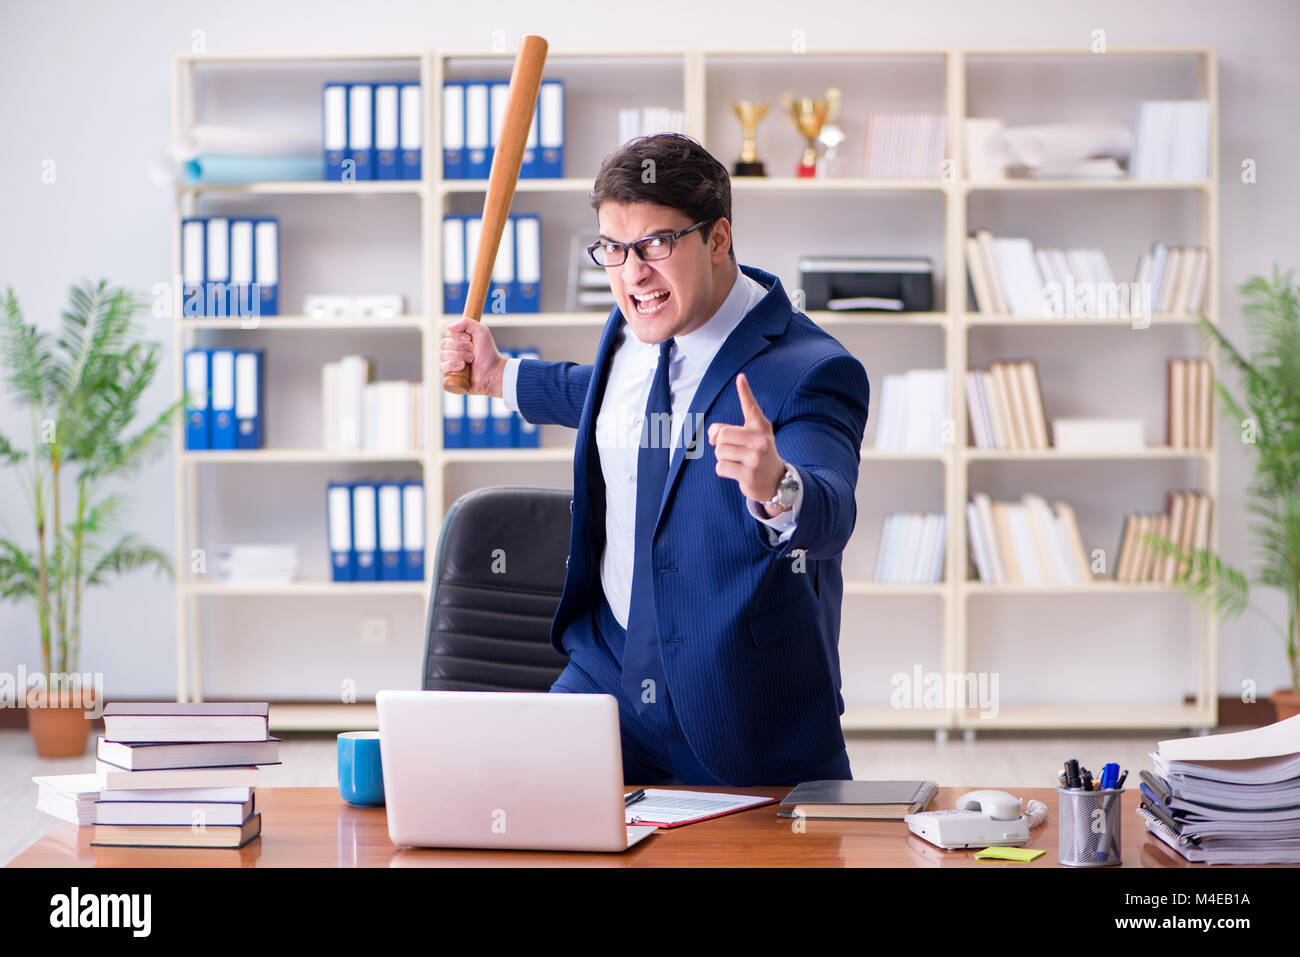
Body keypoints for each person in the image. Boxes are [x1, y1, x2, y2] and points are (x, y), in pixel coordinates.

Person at [439, 133, 869, 786]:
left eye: (656, 244)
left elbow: (830, 510)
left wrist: (778, 485)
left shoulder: (812, 369)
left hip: (743, 712)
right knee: (512, 812)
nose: (632, 272)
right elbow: (611, 397)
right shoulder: (639, 323)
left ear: (718, 238)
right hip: (608, 674)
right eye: (614, 248)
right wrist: (501, 376)